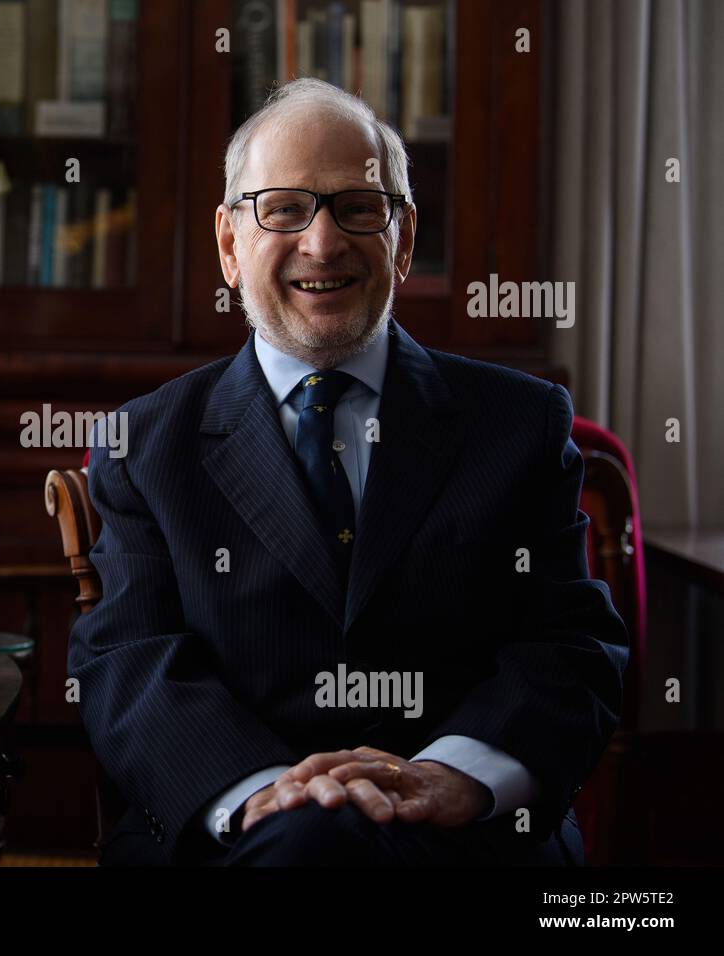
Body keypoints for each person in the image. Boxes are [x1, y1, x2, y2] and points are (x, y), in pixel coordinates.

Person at [67, 78, 628, 866]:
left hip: (464, 839)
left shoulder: (519, 425)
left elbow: (570, 644)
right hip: (240, 839)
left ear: (401, 238)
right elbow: (128, 656)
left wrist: (451, 775)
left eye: (357, 207)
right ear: (229, 245)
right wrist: (263, 790)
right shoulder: (145, 444)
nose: (323, 243)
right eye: (285, 209)